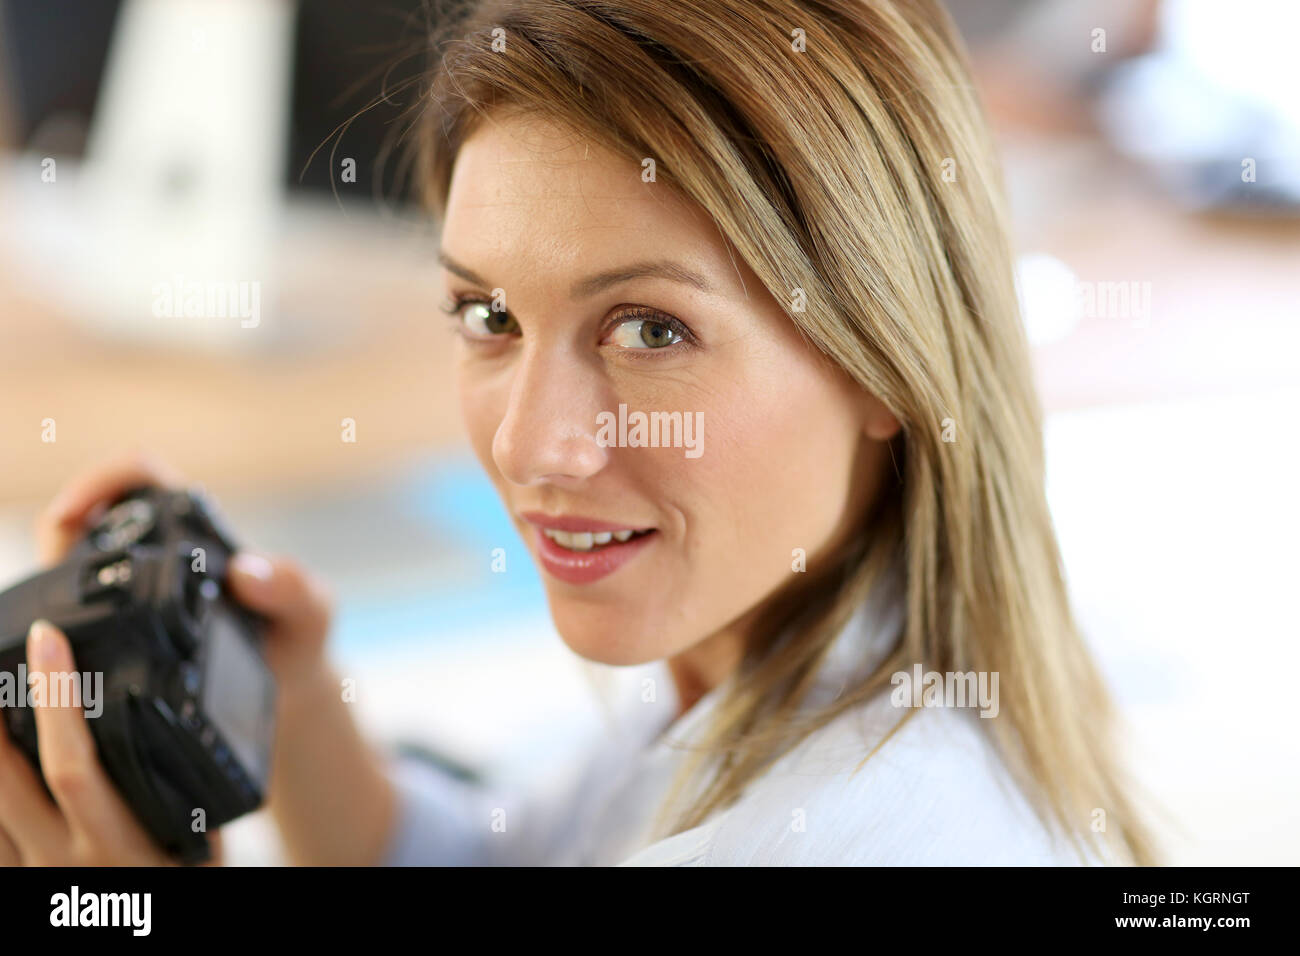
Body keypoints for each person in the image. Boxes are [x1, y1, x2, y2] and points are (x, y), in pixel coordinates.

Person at [0, 0, 1156, 866]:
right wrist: (296, 705)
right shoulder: (759, 652)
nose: (532, 447)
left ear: (888, 354)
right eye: (487, 315)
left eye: (650, 327)